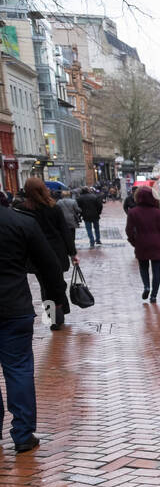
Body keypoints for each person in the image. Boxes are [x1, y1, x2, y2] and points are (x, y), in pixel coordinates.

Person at [0, 200, 69, 453]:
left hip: (14, 309)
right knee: (18, 370)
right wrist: (57, 298)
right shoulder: (21, 222)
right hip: (14, 306)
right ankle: (23, 433)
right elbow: (49, 265)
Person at [14, 178, 75, 331]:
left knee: (45, 286)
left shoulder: (22, 209)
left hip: (35, 253)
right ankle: (59, 312)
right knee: (58, 283)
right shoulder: (53, 207)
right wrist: (72, 252)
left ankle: (53, 316)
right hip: (56, 251)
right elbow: (64, 231)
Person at [125, 184, 160, 303]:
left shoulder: (133, 212)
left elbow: (129, 230)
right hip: (157, 243)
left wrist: (134, 242)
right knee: (156, 270)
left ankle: (146, 286)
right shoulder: (158, 212)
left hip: (141, 243)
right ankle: (154, 295)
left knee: (143, 267)